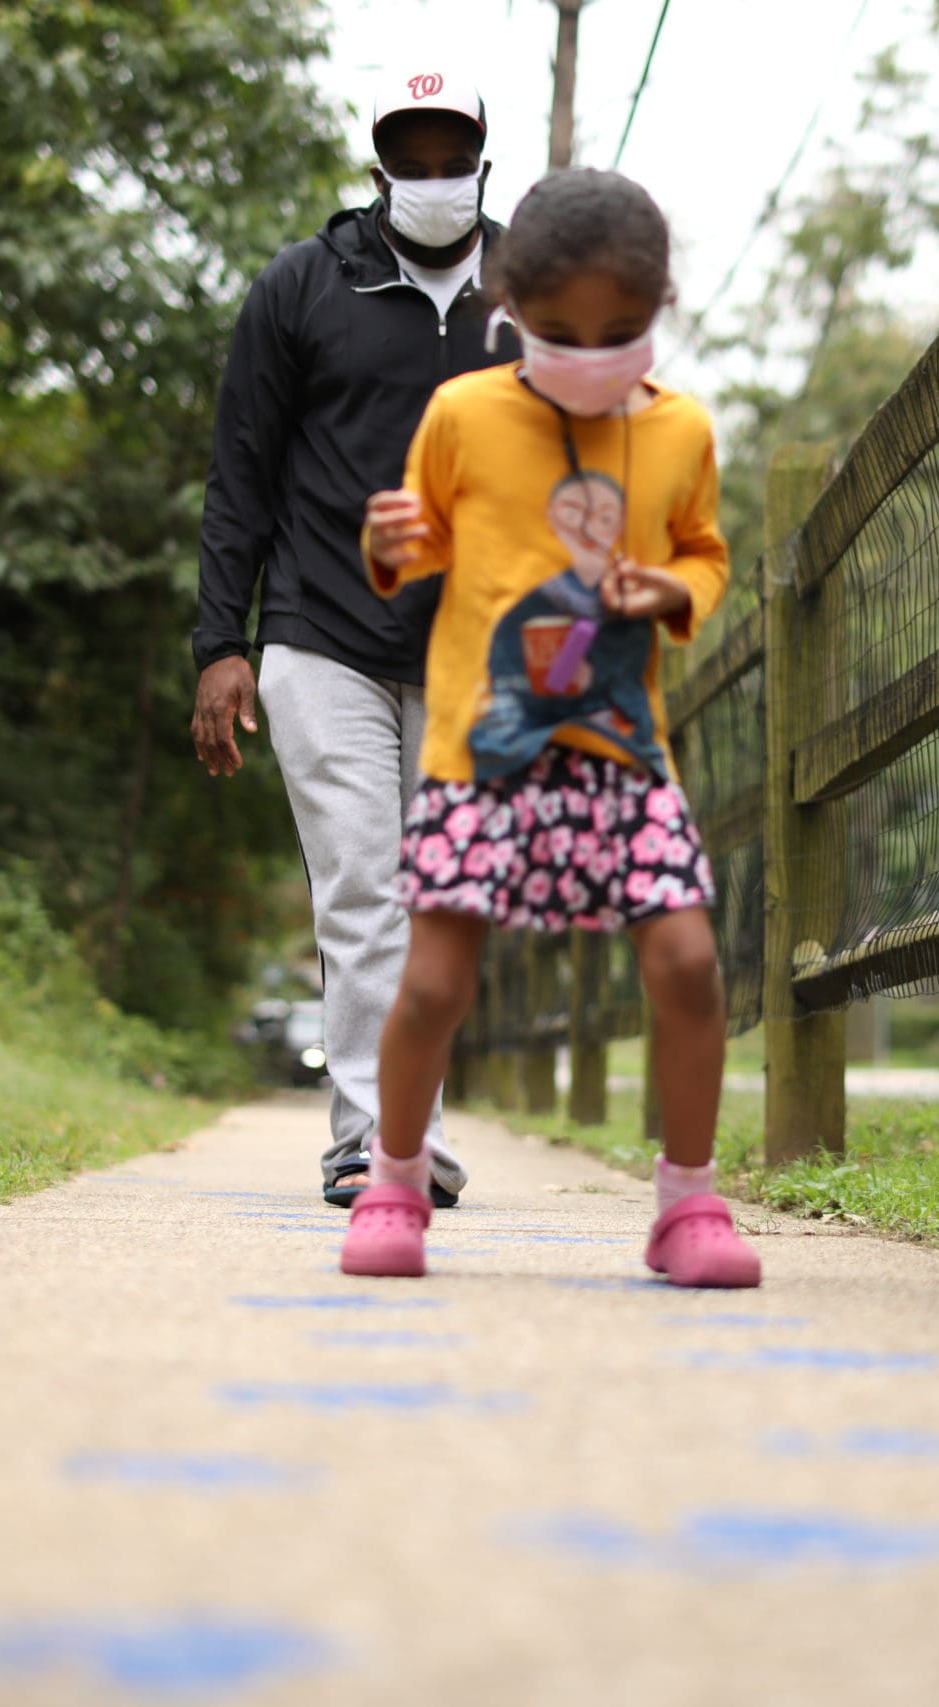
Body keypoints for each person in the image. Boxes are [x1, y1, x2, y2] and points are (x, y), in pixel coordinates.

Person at [345, 169, 754, 1288]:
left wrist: (669, 592)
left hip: (622, 751)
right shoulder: (463, 414)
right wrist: (382, 546)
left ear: (660, 309)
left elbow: (705, 554)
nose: (588, 355)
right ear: (510, 307)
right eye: (559, 333)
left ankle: (688, 1203)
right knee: (435, 985)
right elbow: (412, 552)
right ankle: (392, 1184)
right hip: (481, 750)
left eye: (618, 333)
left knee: (688, 964)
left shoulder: (681, 431)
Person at [192, 66, 522, 1208]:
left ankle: (405, 1126)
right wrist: (219, 644)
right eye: (409, 160)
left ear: (483, 163)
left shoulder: (531, 293)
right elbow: (240, 470)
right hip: (320, 633)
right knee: (362, 890)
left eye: (451, 159)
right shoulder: (301, 285)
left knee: (445, 899)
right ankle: (380, 1145)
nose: (433, 178)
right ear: (378, 167)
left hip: (474, 650)